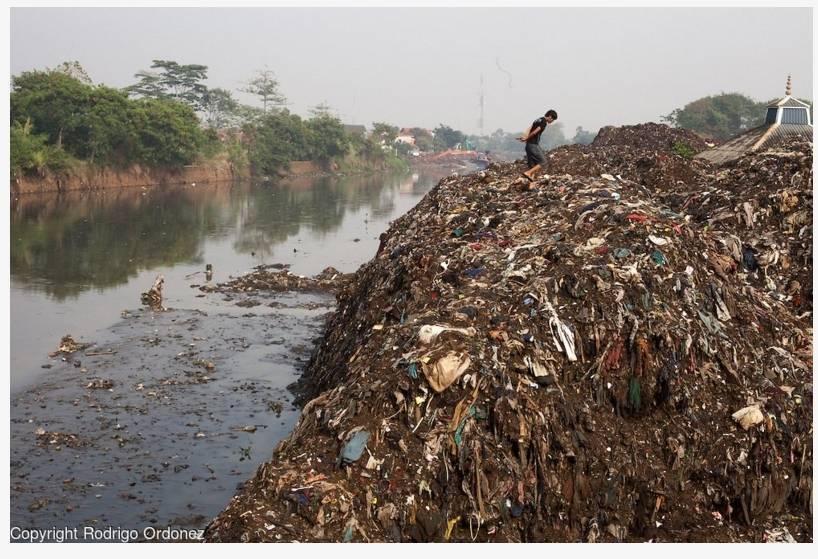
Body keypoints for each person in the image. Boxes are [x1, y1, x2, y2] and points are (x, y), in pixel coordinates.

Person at [518, 109, 558, 182]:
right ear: (550, 117)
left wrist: (525, 136)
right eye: (553, 120)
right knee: (543, 161)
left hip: (528, 145)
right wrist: (526, 138)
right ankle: (527, 173)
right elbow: (535, 132)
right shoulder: (544, 122)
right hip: (533, 145)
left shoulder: (538, 120)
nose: (552, 122)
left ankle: (530, 187)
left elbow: (529, 128)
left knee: (532, 167)